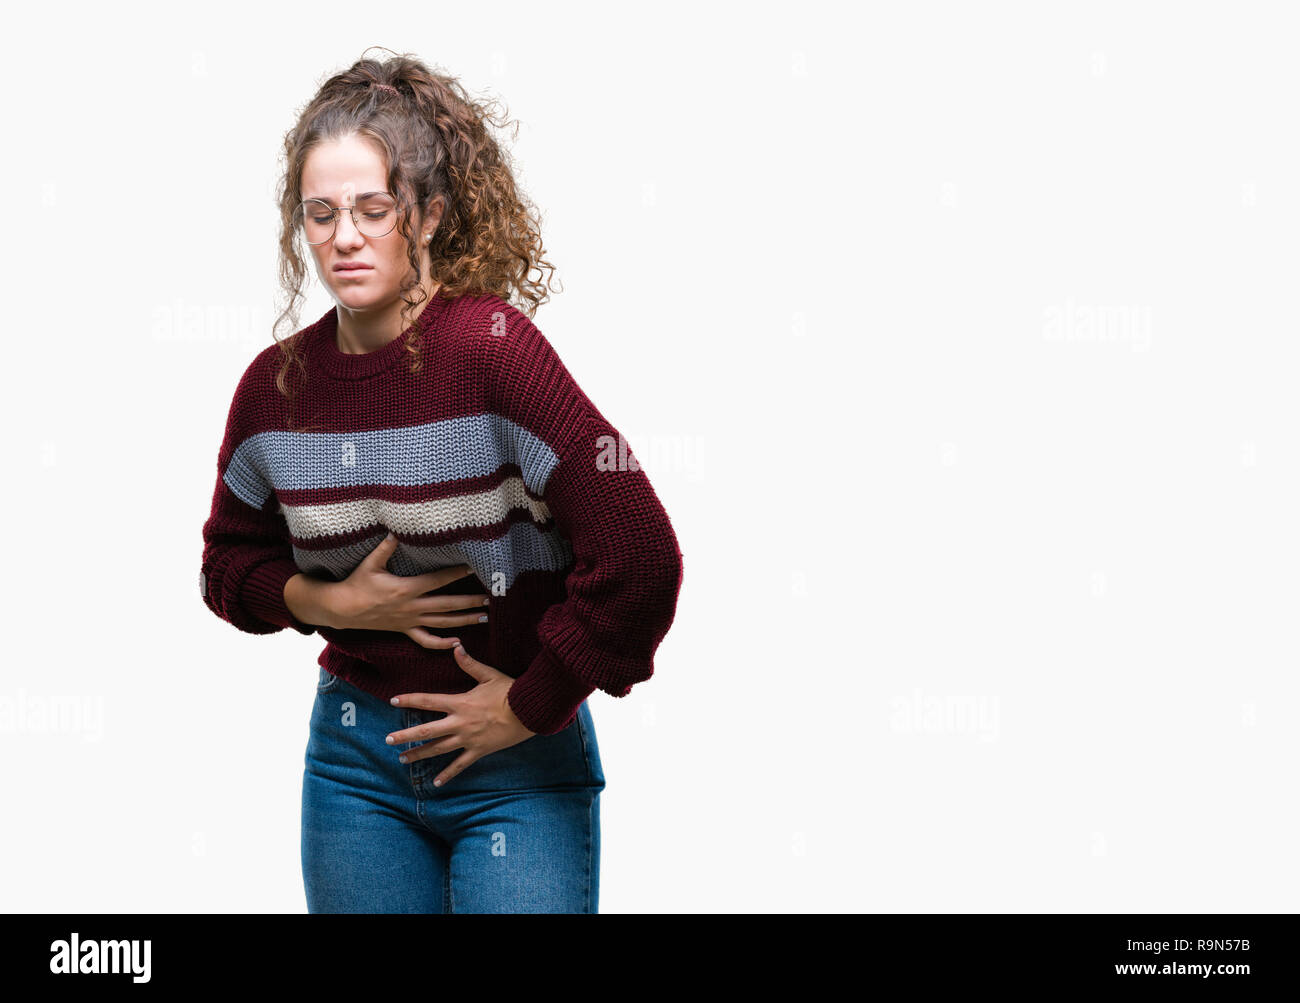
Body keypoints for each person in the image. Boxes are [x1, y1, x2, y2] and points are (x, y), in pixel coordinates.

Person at [199, 49, 684, 914]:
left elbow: (640, 555)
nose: (344, 237)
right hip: (355, 770)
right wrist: (332, 605)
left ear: (426, 213)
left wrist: (531, 704)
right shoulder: (274, 392)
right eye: (319, 213)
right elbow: (227, 567)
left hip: (516, 770)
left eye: (373, 208)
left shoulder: (494, 353)